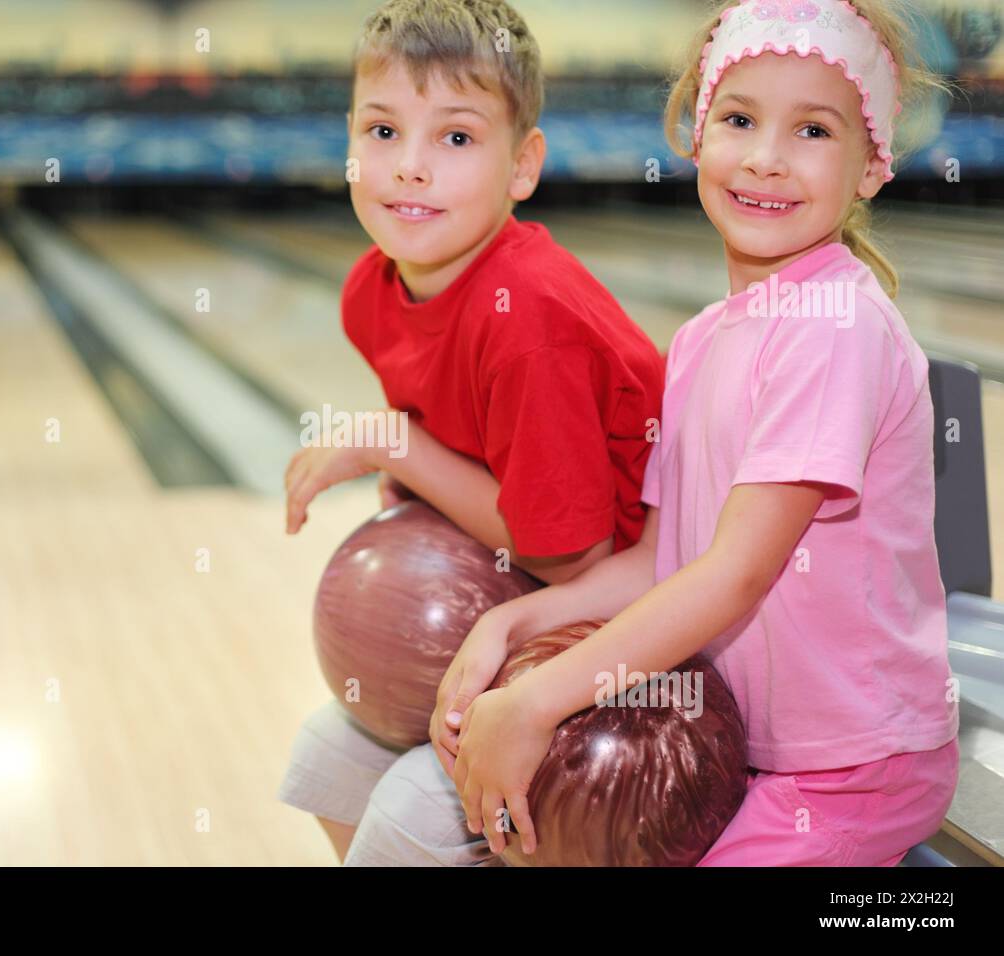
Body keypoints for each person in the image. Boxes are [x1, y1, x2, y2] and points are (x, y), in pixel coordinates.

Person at [431, 0, 960, 867]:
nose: (765, 157)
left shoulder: (834, 323)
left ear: (872, 168)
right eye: (740, 118)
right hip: (735, 745)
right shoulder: (704, 338)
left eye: (814, 131)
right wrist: (515, 623)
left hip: (853, 769)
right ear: (695, 135)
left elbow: (736, 569)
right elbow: (669, 556)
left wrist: (538, 702)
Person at [277, 0, 666, 864]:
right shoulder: (368, 293)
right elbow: (454, 456)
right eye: (382, 131)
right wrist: (408, 467)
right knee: (323, 761)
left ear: (523, 165)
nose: (410, 167)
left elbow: (574, 558)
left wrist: (394, 444)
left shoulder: (528, 314)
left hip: (650, 639)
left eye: (456, 138)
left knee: (413, 814)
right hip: (543, 611)